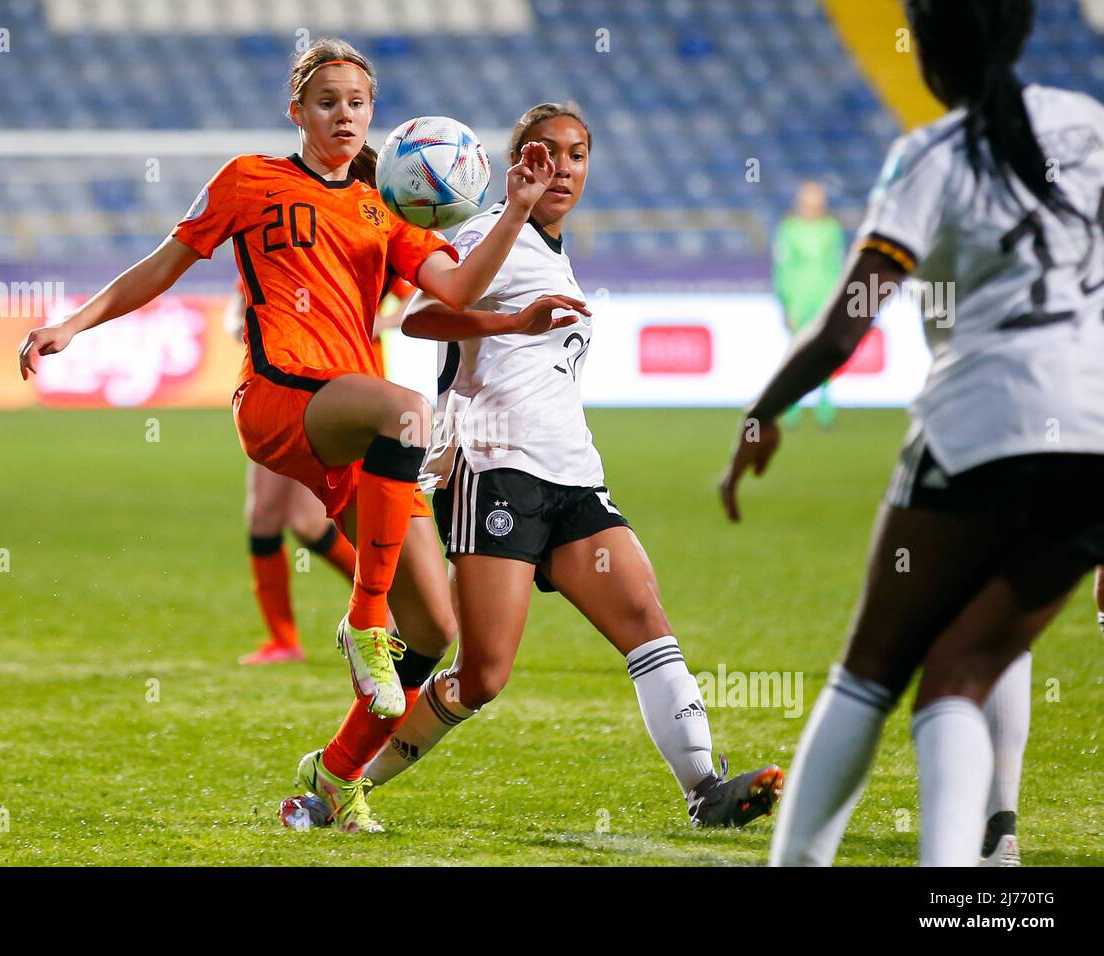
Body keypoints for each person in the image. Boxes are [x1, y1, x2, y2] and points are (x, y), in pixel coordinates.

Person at [20, 37, 556, 831]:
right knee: (409, 411)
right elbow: (164, 264)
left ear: (374, 113)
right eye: (328, 102)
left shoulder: (387, 205)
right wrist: (75, 323)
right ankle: (362, 618)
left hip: (353, 431)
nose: (346, 115)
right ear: (297, 112)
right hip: (278, 399)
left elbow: (456, 286)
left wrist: (513, 209)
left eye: (359, 103)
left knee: (438, 630)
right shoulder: (249, 180)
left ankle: (334, 779)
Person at [288, 103, 785, 831]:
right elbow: (422, 316)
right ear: (517, 162)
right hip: (496, 468)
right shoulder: (494, 229)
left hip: (573, 475)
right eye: (545, 153)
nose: (562, 168)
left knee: (645, 617)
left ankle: (705, 789)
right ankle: (339, 775)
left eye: (577, 155)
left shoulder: (553, 252)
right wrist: (509, 322)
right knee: (483, 675)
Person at [719, 0, 1104, 866]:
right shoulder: (1090, 124)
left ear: (927, 55)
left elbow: (850, 321)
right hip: (1094, 439)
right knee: (962, 671)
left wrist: (763, 411)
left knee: (871, 671)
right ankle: (976, 871)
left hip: (981, 427)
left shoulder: (932, 157)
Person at [225, 285, 412, 666]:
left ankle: (389, 608)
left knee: (308, 523)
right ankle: (284, 640)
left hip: (342, 388)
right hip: (281, 384)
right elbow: (236, 307)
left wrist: (381, 322)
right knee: (264, 515)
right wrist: (243, 325)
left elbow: (421, 293)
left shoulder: (373, 235)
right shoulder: (278, 247)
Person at [772, 181, 844, 429]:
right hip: (800, 301)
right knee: (796, 354)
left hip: (825, 299)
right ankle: (790, 404)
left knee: (825, 354)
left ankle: (825, 404)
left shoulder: (831, 229)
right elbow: (783, 268)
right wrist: (787, 301)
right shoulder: (789, 230)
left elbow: (837, 266)